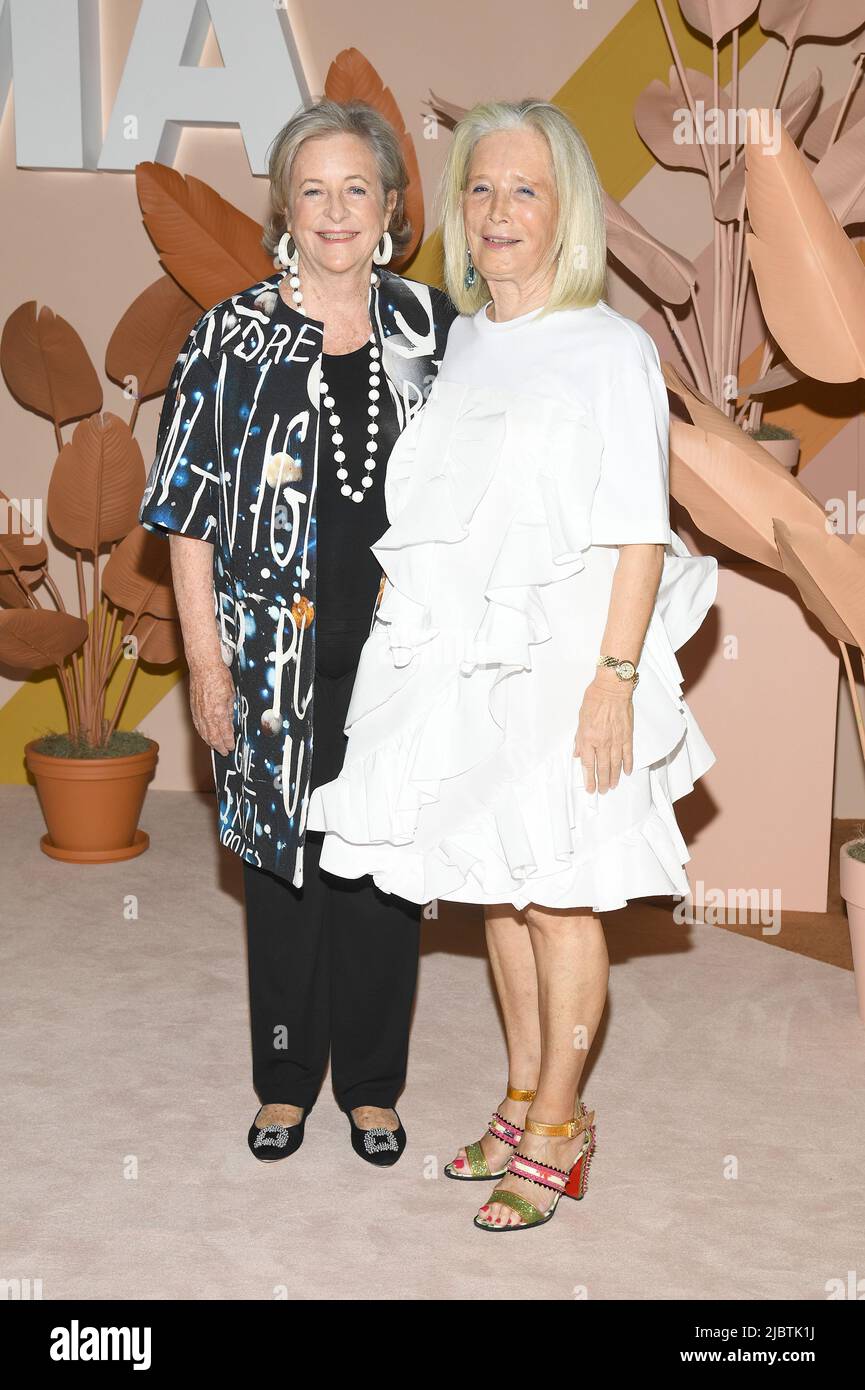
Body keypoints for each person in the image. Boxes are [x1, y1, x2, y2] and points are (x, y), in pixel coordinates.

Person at [306, 100, 718, 1227]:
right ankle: (525, 1091)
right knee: (498, 887)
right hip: (471, 668)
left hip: (573, 660)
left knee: (563, 897)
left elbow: (641, 528)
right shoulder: (464, 336)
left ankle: (560, 1127)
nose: (495, 211)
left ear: (565, 212)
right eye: (480, 189)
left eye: (523, 190)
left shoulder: (613, 350)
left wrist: (614, 679)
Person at [139, 100, 458, 1166]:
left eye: (355, 189)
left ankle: (372, 1084)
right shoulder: (227, 336)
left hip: (402, 659)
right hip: (269, 658)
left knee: (379, 870)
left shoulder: (433, 327)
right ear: (286, 205)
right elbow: (184, 514)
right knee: (282, 869)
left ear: (389, 207)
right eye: (312, 190)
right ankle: (285, 1080)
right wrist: (207, 666)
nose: (334, 211)